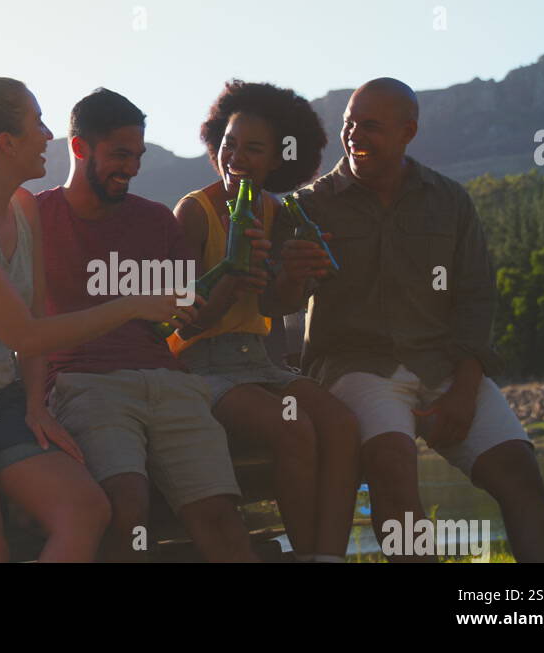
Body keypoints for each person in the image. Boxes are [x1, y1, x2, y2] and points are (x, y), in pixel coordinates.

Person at [0, 78, 193, 563]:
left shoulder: (23, 208)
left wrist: (36, 406)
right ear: (5, 143)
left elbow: (36, 312)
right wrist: (130, 304)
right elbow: (21, 332)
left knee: (85, 511)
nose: (48, 135)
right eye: (38, 123)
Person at [266, 77, 544, 562]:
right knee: (390, 468)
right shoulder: (306, 207)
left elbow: (476, 299)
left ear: (408, 131)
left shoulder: (450, 201)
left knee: (520, 474)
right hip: (355, 368)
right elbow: (273, 303)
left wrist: (465, 389)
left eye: (370, 126)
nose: (354, 137)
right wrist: (289, 275)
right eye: (348, 125)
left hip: (445, 363)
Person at [37, 88, 259, 562]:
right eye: (120, 155)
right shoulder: (34, 219)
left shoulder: (156, 220)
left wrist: (237, 274)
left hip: (168, 380)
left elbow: (188, 318)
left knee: (219, 511)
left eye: (137, 155)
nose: (132, 168)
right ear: (79, 148)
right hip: (82, 382)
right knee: (126, 503)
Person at [170, 80, 360, 563]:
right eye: (229, 143)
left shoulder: (276, 211)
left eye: (253, 149)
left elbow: (276, 307)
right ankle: (307, 552)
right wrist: (233, 275)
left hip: (260, 362)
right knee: (292, 429)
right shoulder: (194, 212)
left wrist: (297, 275)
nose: (235, 157)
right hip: (202, 367)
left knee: (340, 423)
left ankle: (327, 556)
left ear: (279, 160)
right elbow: (183, 323)